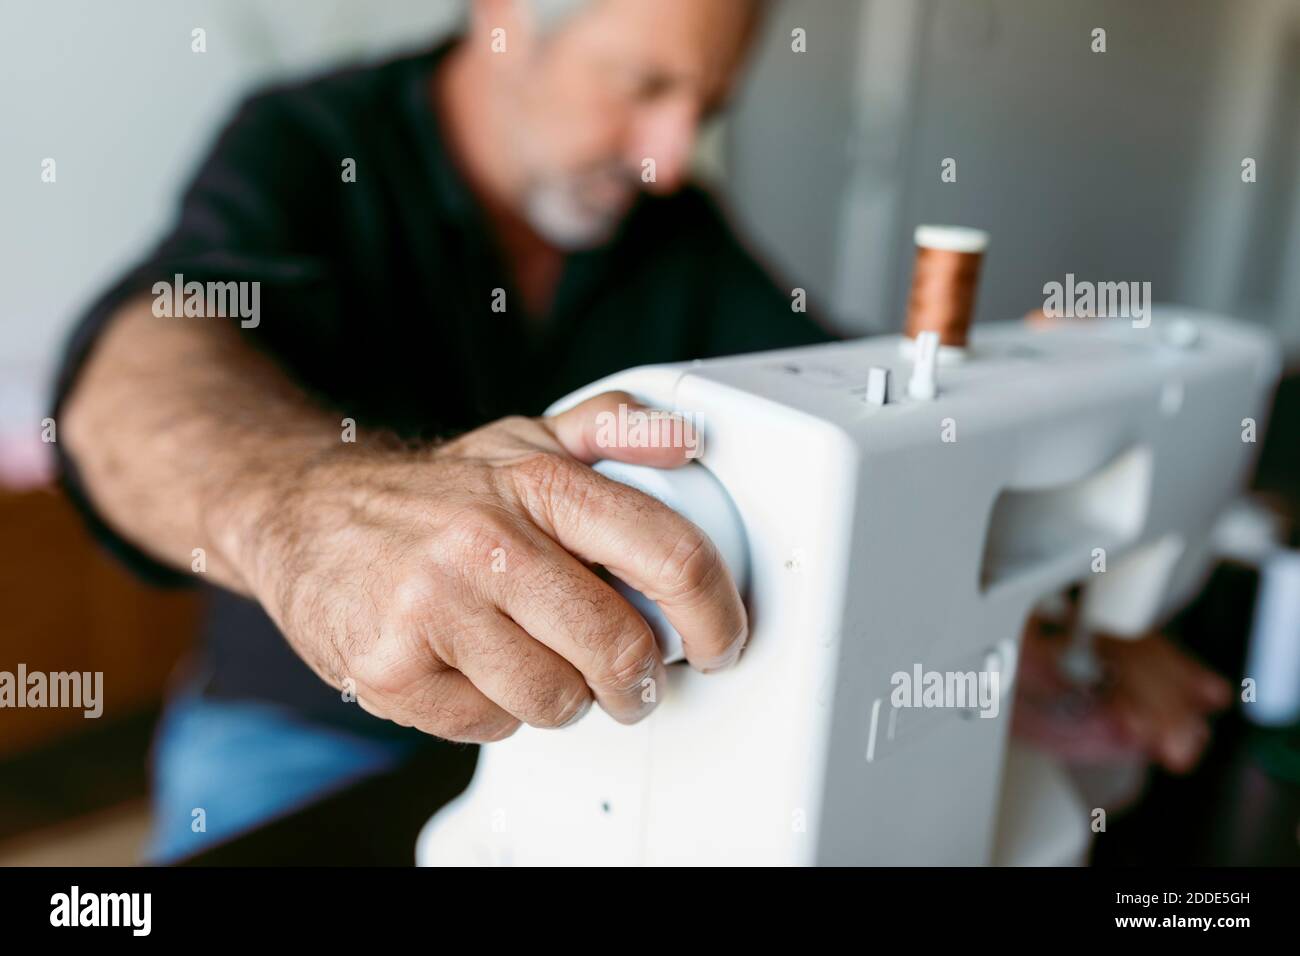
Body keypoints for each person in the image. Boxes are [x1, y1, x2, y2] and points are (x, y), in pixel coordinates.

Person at [54, 0, 1227, 862]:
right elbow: (136, 374)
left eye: (705, 108)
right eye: (643, 85)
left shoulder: (675, 227)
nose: (670, 156)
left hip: (587, 731)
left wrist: (1047, 606)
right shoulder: (308, 145)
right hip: (307, 735)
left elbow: (862, 430)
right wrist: (308, 508)